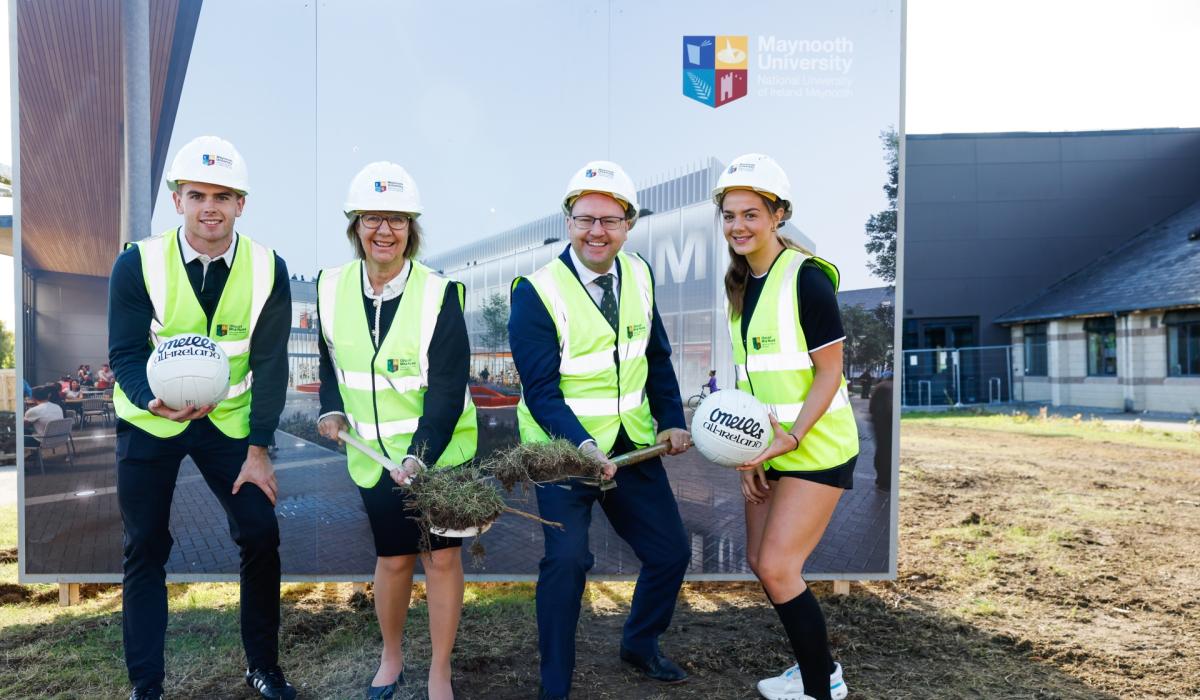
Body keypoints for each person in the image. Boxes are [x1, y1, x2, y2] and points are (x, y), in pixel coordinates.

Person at [108, 136, 295, 700]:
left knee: (261, 534)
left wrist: (259, 448)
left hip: (230, 425)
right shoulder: (137, 262)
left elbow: (270, 363)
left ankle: (262, 666)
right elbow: (124, 354)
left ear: (242, 204)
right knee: (145, 545)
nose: (209, 206)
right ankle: (147, 685)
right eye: (197, 194)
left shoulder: (268, 268)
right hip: (151, 422)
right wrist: (149, 399)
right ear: (177, 201)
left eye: (222, 195)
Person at [509, 160, 693, 700]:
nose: (597, 231)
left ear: (629, 224)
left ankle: (640, 643)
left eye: (610, 220)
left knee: (670, 553)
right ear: (568, 221)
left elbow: (655, 356)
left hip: (631, 445)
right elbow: (542, 392)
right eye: (585, 218)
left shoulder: (640, 273)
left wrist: (672, 419)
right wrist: (584, 449)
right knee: (567, 561)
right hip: (562, 453)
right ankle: (555, 687)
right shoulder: (535, 292)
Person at [315, 162, 476, 700]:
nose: (385, 231)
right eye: (372, 219)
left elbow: (449, 389)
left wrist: (419, 457)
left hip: (439, 455)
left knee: (442, 558)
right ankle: (391, 656)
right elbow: (330, 363)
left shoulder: (439, 293)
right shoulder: (329, 287)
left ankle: (440, 671)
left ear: (412, 228)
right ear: (355, 225)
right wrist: (332, 409)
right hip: (370, 457)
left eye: (398, 220)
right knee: (393, 558)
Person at [714, 154, 859, 700]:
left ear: (778, 216)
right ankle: (820, 666)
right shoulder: (740, 286)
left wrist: (790, 440)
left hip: (816, 448)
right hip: (769, 449)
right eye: (729, 215)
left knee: (778, 564)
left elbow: (830, 374)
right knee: (760, 562)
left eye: (752, 214)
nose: (738, 226)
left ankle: (821, 690)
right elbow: (756, 387)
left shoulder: (807, 279)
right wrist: (750, 455)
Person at [868, 371, 894, 490]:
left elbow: (871, 407)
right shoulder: (891, 388)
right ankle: (885, 480)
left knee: (881, 451)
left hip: (878, 424)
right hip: (887, 424)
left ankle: (881, 478)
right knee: (887, 453)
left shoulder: (881, 386)